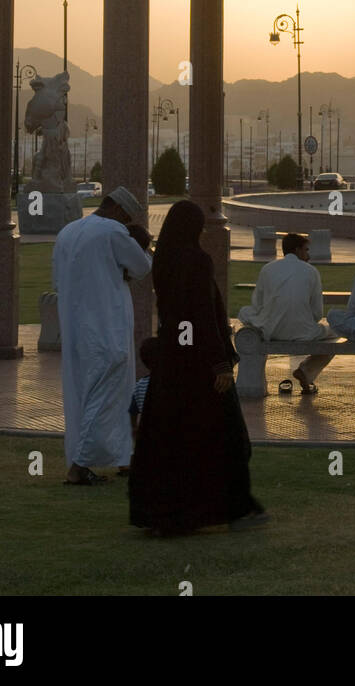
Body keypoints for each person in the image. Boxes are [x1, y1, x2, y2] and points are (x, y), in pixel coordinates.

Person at [129, 200, 267, 536]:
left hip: (173, 359)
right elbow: (202, 314)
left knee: (172, 437)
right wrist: (219, 363)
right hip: (199, 363)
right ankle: (235, 508)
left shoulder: (163, 260)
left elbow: (180, 318)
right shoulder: (197, 260)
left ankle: (168, 513)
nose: (205, 229)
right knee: (229, 437)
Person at [52, 186, 152, 486]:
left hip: (74, 329)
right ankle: (79, 466)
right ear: (120, 211)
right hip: (106, 329)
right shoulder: (112, 232)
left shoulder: (68, 231)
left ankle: (121, 459)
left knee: (87, 395)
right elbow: (142, 266)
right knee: (105, 393)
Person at [238, 232, 335, 395]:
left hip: (269, 330)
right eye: (306, 250)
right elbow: (317, 314)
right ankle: (307, 371)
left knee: (244, 312)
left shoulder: (268, 268)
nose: (308, 255)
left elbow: (257, 305)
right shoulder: (311, 271)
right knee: (337, 329)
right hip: (303, 332)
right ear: (297, 250)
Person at [128, 336, 160, 440]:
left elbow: (133, 411)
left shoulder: (140, 385)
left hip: (149, 435)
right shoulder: (168, 384)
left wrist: (134, 428)